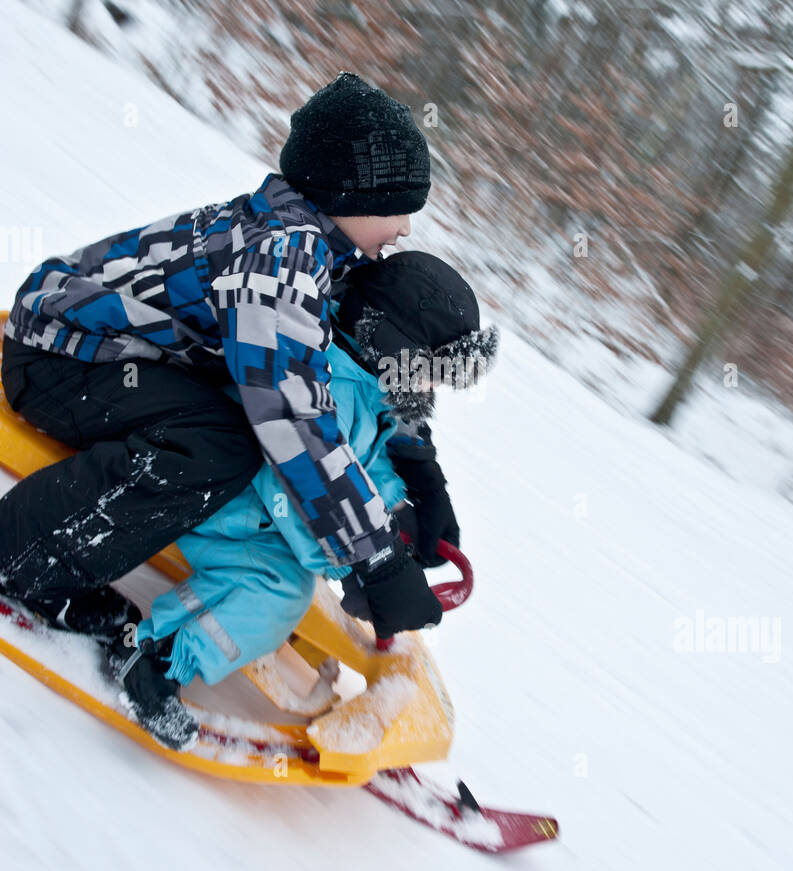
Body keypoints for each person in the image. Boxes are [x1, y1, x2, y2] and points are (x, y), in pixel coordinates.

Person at [0, 74, 456, 740]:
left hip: (116, 353)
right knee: (220, 446)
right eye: (397, 208)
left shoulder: (313, 243)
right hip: (59, 358)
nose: (405, 227)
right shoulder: (278, 264)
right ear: (350, 196)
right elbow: (297, 424)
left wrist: (419, 468)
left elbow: (353, 367)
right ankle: (25, 561)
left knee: (228, 433)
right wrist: (375, 558)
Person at [116, 251, 498, 748]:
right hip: (233, 504)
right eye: (429, 373)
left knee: (296, 574)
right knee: (280, 588)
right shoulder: (330, 385)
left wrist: (395, 516)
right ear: (392, 344)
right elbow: (297, 497)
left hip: (262, 502)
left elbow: (362, 463)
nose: (429, 389)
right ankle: (158, 660)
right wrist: (356, 565)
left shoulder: (363, 377)